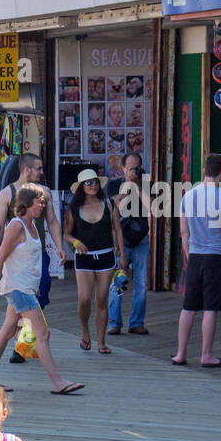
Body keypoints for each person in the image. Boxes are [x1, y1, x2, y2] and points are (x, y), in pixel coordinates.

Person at [0, 187, 83, 395]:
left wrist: (35, 287)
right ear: (26, 204)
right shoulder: (17, 226)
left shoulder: (33, 225)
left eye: (44, 202)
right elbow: (0, 257)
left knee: (9, 330)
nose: (43, 206)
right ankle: (58, 382)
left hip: (26, 287)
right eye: (39, 202)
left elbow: (29, 261)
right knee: (42, 333)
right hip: (18, 288)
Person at [173, 154, 221, 368]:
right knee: (210, 308)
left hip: (195, 256)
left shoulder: (187, 197)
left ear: (204, 170)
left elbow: (184, 233)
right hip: (216, 258)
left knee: (189, 307)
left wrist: (189, 254)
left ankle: (180, 353)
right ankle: (206, 355)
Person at [0, 153, 64, 321]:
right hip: (16, 257)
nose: (42, 172)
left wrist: (59, 247)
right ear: (26, 169)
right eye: (39, 168)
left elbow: (52, 221)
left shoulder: (44, 192)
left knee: (42, 290)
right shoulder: (6, 193)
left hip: (38, 253)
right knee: (22, 298)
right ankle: (25, 333)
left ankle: (24, 332)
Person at [62, 169, 125, 354]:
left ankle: (102, 342)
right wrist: (76, 242)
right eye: (88, 183)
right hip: (84, 258)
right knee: (84, 299)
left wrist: (122, 255)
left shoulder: (109, 204)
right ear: (82, 187)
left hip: (106, 256)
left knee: (102, 300)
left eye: (96, 182)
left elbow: (118, 230)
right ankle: (84, 331)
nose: (93, 185)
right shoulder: (74, 207)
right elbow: (66, 233)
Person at [106, 152, 152, 336]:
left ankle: (137, 323)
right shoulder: (113, 184)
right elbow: (115, 204)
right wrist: (128, 188)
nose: (134, 171)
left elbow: (153, 207)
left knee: (141, 282)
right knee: (117, 282)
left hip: (141, 240)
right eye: (130, 168)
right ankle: (114, 323)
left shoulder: (147, 185)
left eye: (137, 168)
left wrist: (138, 188)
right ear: (122, 168)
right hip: (120, 241)